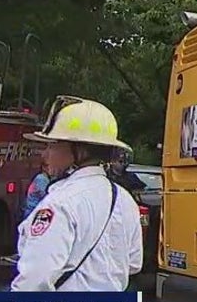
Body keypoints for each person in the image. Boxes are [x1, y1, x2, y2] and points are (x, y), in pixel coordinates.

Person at [9, 96, 144, 292]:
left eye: (52, 145)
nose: (44, 154)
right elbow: (133, 263)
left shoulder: (60, 203)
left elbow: (34, 280)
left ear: (79, 150)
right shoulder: (123, 199)